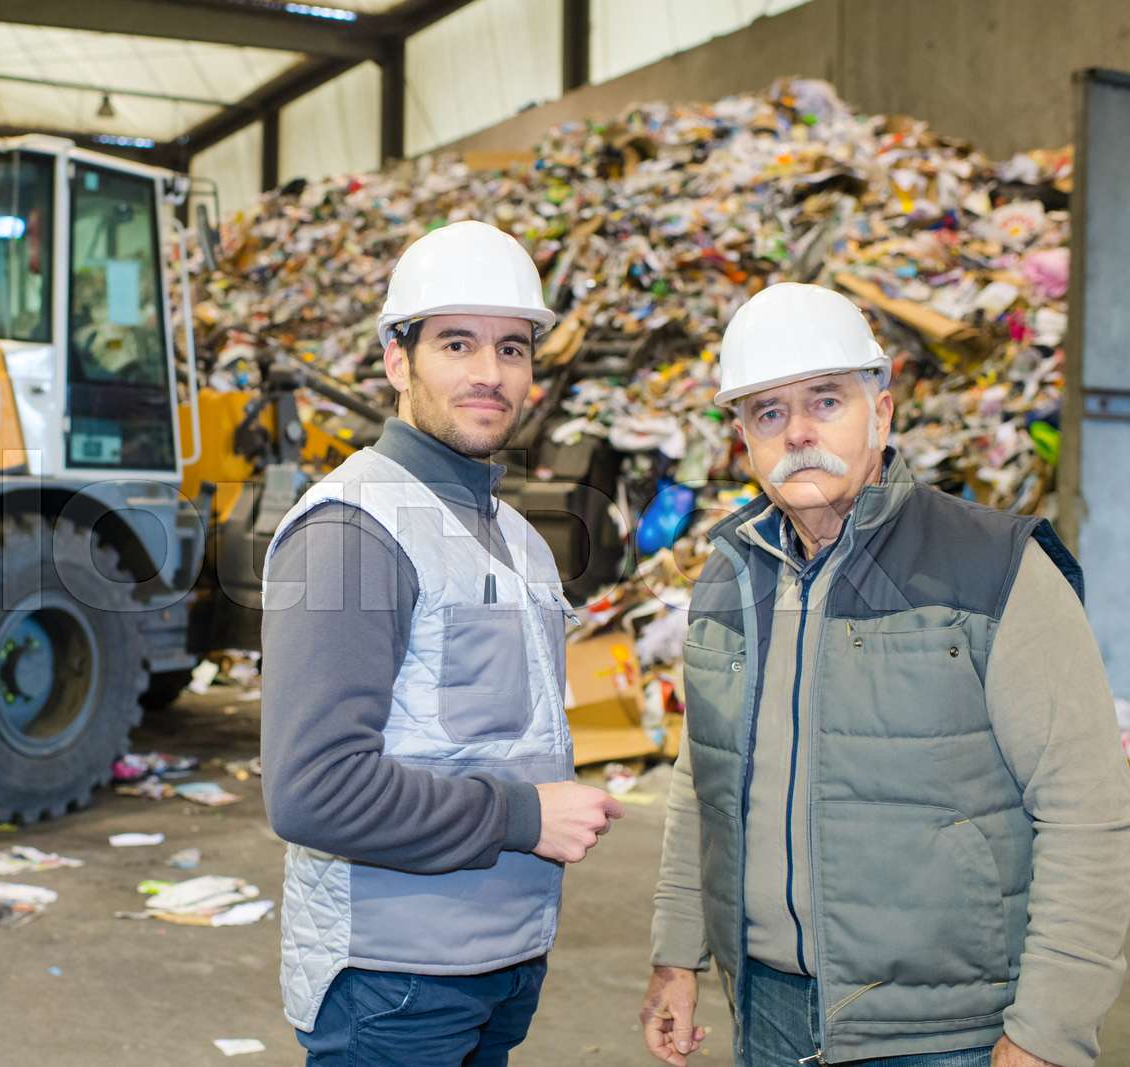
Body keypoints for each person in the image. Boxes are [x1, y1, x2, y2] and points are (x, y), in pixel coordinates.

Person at [641, 282, 1130, 1067]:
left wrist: (1048, 1032)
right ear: (743, 436)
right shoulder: (731, 577)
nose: (798, 431)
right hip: (769, 1014)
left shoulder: (994, 568)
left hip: (953, 1036)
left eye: (826, 400)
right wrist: (676, 955)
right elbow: (705, 779)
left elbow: (1087, 810)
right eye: (768, 412)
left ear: (883, 412)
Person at [261, 220, 625, 1065]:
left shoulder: (516, 536)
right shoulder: (355, 528)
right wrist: (524, 814)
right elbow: (314, 791)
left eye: (512, 348)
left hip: (495, 966)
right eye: (457, 343)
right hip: (395, 984)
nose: (490, 374)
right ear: (398, 359)